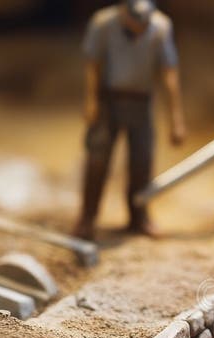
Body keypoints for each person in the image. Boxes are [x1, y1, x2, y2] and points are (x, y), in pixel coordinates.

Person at [73, 0, 186, 240]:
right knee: (97, 159)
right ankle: (87, 217)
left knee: (142, 161)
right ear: (123, 12)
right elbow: (93, 64)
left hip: (141, 102)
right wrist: (91, 100)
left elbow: (169, 73)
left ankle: (139, 216)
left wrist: (176, 118)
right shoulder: (102, 23)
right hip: (108, 102)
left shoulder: (161, 27)